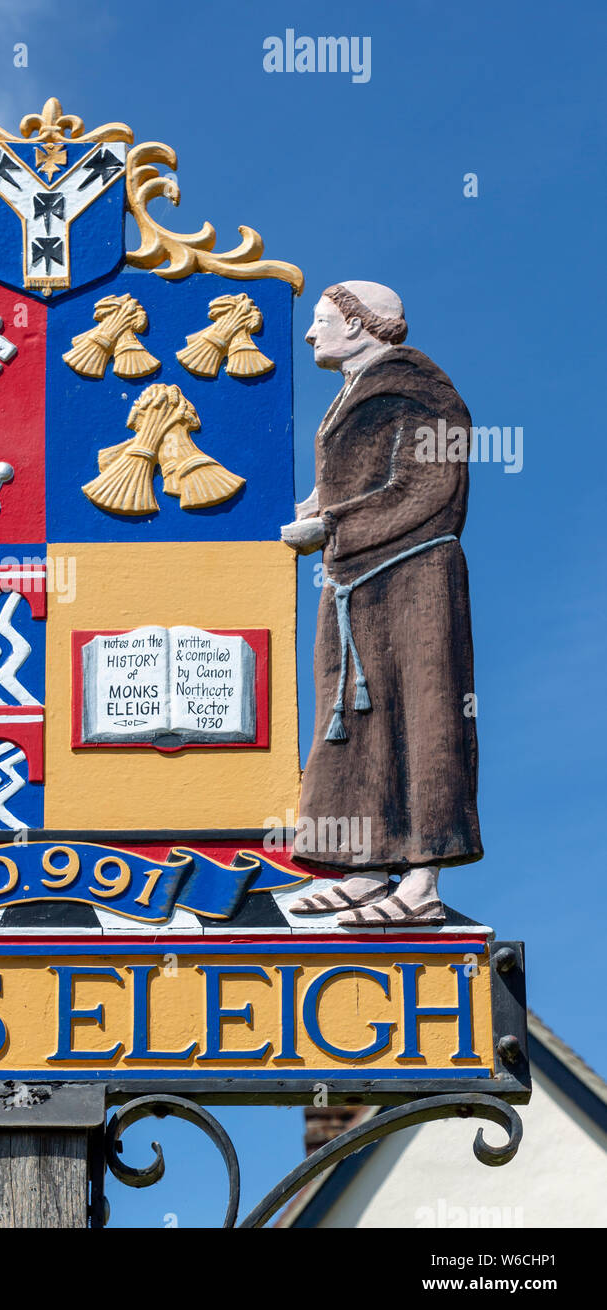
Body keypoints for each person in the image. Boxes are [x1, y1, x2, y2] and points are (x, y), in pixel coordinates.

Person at [281, 281, 481, 926]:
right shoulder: (351, 393)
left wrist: (331, 525)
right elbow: (363, 476)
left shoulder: (420, 391)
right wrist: (318, 506)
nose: (310, 334)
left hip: (413, 580)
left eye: (320, 321)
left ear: (363, 325)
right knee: (354, 716)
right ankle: (366, 868)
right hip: (354, 582)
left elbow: (428, 484)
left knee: (424, 720)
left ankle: (421, 884)